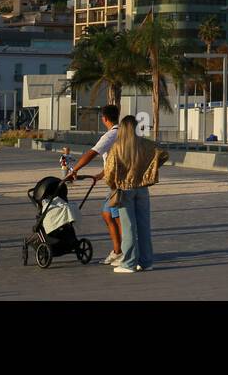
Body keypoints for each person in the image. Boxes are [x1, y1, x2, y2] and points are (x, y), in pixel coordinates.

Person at [102, 115, 169, 273]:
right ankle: (146, 262)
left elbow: (109, 172)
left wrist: (113, 183)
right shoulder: (145, 144)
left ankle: (129, 263)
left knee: (128, 227)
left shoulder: (118, 146)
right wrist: (150, 170)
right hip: (142, 188)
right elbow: (164, 154)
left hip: (125, 190)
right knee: (144, 226)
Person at [64, 105, 123, 265]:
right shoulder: (123, 133)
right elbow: (114, 161)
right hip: (116, 180)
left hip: (118, 184)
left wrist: (74, 170)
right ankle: (118, 251)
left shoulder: (111, 135)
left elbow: (91, 153)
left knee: (117, 217)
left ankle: (123, 253)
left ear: (104, 118)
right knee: (108, 215)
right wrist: (100, 175)